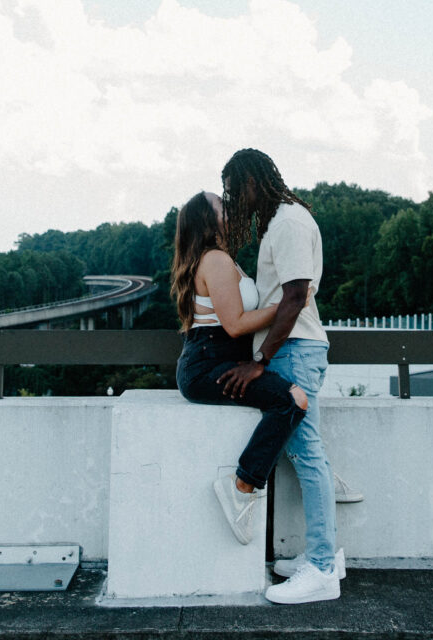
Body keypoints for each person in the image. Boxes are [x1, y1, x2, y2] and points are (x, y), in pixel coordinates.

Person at [218, 148, 340, 604]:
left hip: (292, 350)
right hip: (295, 349)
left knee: (308, 457)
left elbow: (294, 296)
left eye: (235, 190)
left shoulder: (287, 222)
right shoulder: (284, 218)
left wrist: (261, 360)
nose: (233, 201)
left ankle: (324, 569)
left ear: (253, 182)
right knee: (309, 456)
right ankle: (322, 555)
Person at [172, 190, 309, 548]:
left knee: (292, 401)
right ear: (207, 219)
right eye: (220, 205)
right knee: (290, 400)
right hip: (209, 364)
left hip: (218, 359)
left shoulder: (221, 258)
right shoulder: (214, 260)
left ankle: (316, 469)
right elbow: (233, 324)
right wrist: (288, 306)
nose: (228, 208)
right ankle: (242, 486)